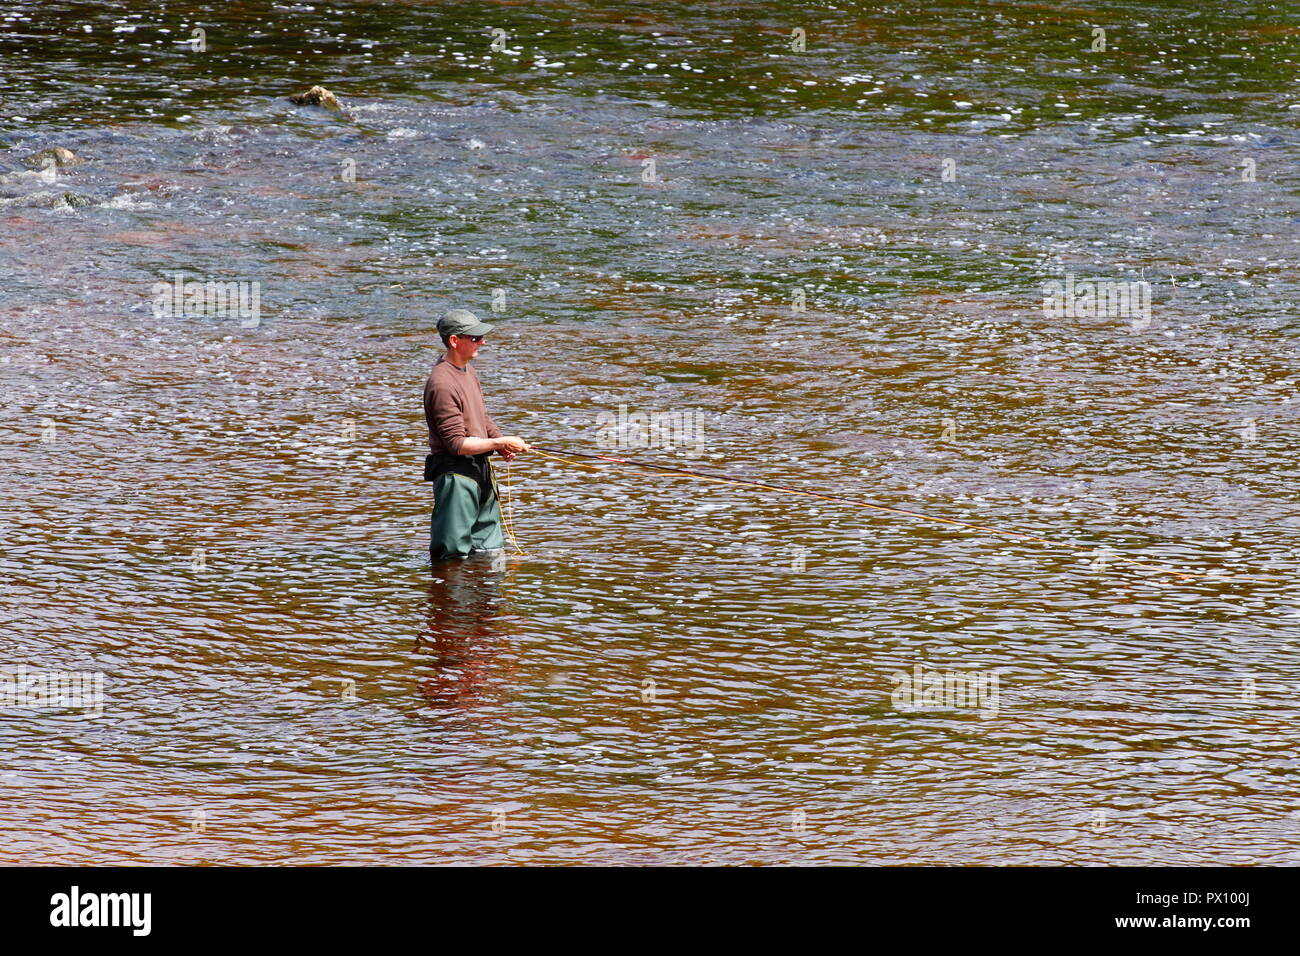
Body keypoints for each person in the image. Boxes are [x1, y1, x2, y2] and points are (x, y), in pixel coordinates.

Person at [422, 309, 529, 560]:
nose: (482, 342)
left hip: (480, 471)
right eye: (475, 338)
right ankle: (449, 598)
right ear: (454, 341)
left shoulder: (468, 371)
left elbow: (481, 416)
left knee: (490, 553)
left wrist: (500, 441)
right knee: (452, 557)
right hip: (456, 477)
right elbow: (456, 444)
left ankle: (486, 599)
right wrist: (498, 442)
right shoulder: (441, 383)